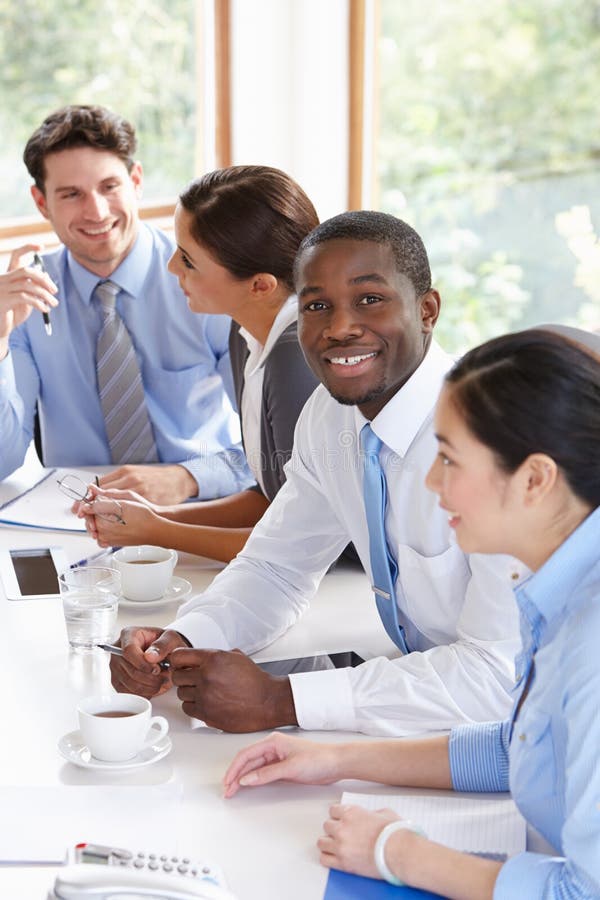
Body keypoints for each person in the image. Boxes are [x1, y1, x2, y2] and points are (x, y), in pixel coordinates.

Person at [110, 210, 523, 737]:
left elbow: (499, 676)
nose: (340, 327)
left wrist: (284, 700)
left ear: (427, 310)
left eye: (370, 299)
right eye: (317, 306)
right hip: (428, 707)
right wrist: (185, 639)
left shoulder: (496, 441)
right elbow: (276, 568)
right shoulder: (331, 419)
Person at [222, 329, 600, 899]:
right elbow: (523, 746)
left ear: (535, 479)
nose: (430, 481)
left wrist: (395, 850)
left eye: (449, 459)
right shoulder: (554, 586)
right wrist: (333, 759)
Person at [0, 104, 251, 504]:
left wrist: (189, 477)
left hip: (200, 506)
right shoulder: (27, 298)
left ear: (135, 181)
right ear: (41, 202)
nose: (96, 211)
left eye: (109, 186)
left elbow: (280, 449)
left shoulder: (208, 278)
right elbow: (3, 461)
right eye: (71, 194)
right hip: (77, 513)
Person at [76, 165, 320, 563]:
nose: (172, 267)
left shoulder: (296, 359)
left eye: (188, 260)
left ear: (260, 285)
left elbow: (299, 543)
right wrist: (155, 516)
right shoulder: (246, 335)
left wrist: (157, 531)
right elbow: (274, 499)